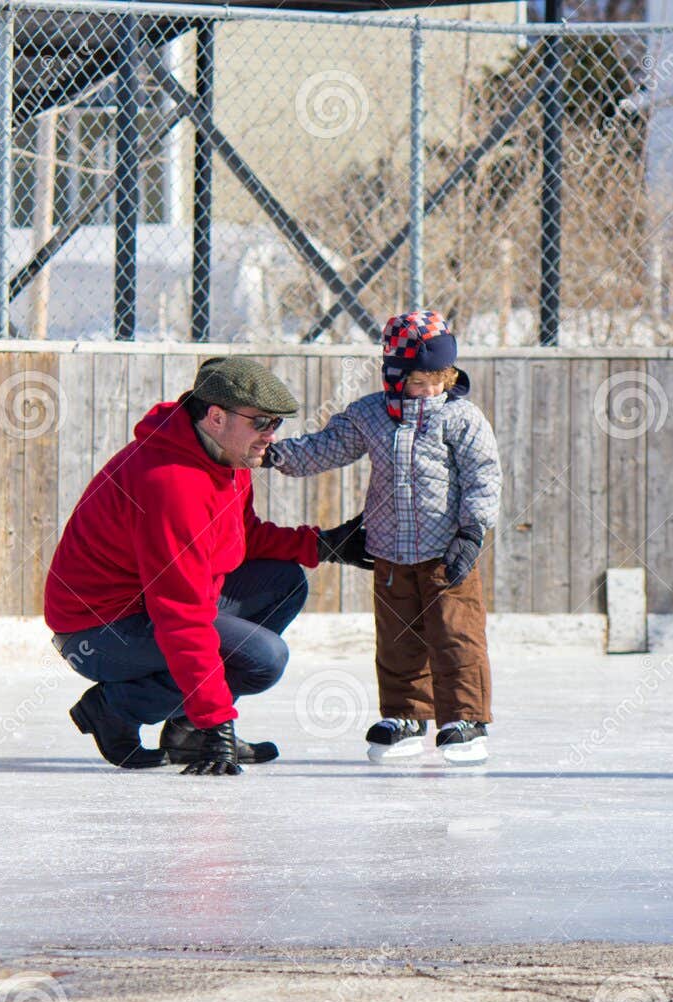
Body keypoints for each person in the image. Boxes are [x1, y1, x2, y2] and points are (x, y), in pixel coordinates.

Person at [44, 356, 373, 776]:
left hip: (146, 608)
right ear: (216, 417)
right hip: (99, 632)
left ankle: (185, 732)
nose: (271, 436)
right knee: (262, 659)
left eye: (277, 424)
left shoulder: (224, 458)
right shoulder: (171, 483)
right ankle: (117, 709)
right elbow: (180, 615)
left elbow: (243, 537)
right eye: (262, 423)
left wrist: (323, 545)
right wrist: (218, 722)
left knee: (284, 582)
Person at [266, 311, 501, 764]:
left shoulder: (461, 418)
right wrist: (276, 455)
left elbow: (483, 477)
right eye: (420, 380)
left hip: (447, 552)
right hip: (390, 551)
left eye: (440, 379)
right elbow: (324, 447)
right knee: (397, 639)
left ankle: (465, 718)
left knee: (456, 634)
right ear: (395, 377)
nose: (432, 389)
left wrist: (471, 532)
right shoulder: (370, 415)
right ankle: (407, 715)